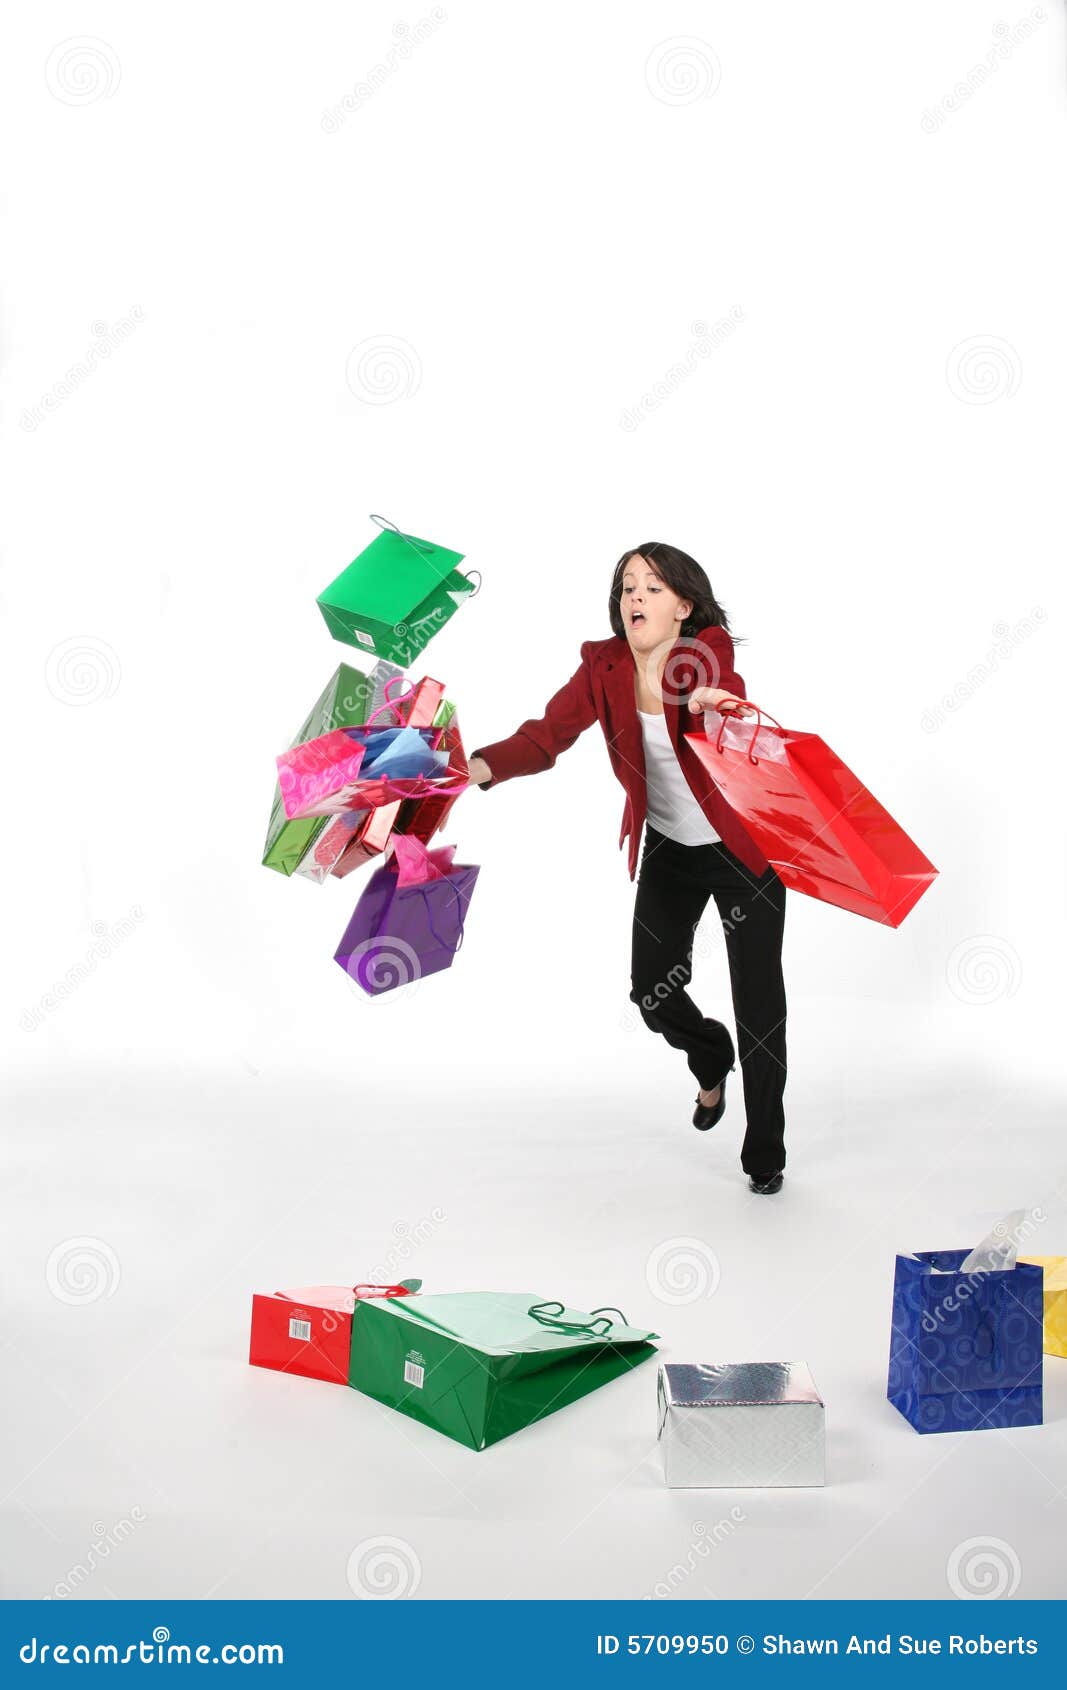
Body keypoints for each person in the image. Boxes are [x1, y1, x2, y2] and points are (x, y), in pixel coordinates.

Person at [468, 542, 789, 1195]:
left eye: (650, 587)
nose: (634, 598)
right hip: (671, 850)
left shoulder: (706, 652)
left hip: (741, 854)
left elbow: (722, 681)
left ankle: (765, 1154)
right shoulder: (604, 664)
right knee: (651, 990)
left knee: (758, 1007)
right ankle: (709, 1056)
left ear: (683, 605)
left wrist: (711, 698)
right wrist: (474, 769)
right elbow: (543, 737)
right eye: (626, 587)